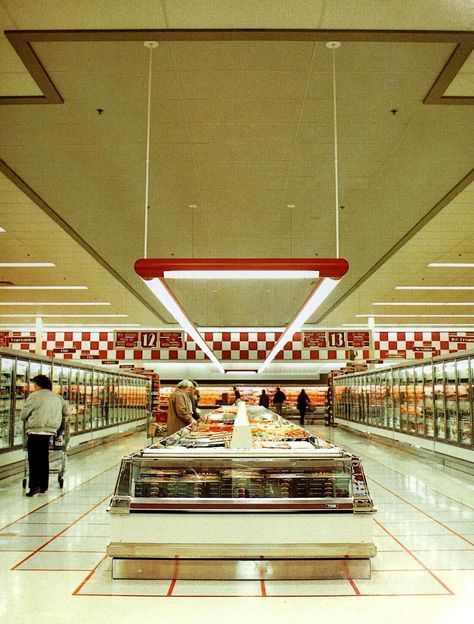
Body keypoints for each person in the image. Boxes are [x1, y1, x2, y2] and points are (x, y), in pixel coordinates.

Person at [21, 374, 71, 497]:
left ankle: (34, 487)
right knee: (43, 457)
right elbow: (67, 411)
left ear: (38, 385)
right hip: (50, 431)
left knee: (33, 459)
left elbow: (23, 414)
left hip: (36, 430)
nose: (34, 388)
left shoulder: (34, 396)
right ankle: (44, 486)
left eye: (34, 385)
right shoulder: (57, 397)